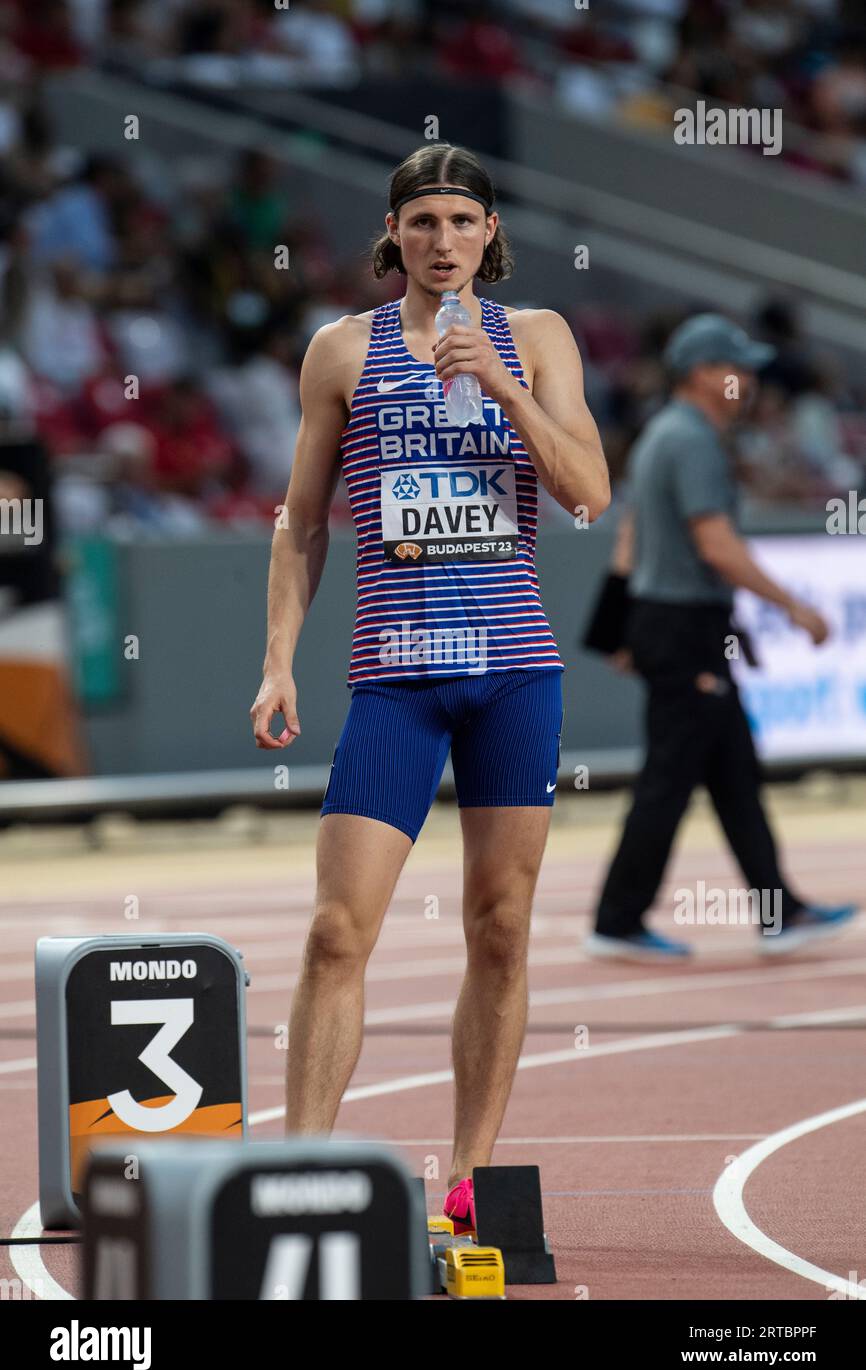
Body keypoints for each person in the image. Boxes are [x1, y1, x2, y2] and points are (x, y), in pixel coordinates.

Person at [250, 142, 609, 1231]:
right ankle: (297, 1174)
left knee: (499, 926)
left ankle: (466, 1177)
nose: (442, 240)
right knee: (333, 931)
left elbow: (587, 489)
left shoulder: (536, 338)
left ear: (489, 234)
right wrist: (277, 657)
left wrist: (503, 387)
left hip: (511, 674)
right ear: (392, 235)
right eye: (422, 223)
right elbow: (301, 518)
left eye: (461, 221)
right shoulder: (339, 351)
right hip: (393, 680)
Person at [586, 313, 858, 963]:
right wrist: (796, 608)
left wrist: (618, 628)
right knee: (669, 779)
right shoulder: (693, 441)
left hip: (670, 621)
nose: (748, 382)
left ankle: (779, 910)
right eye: (737, 370)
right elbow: (717, 546)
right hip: (686, 628)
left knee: (733, 771)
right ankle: (617, 919)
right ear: (704, 374)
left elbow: (632, 538)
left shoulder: (664, 435)